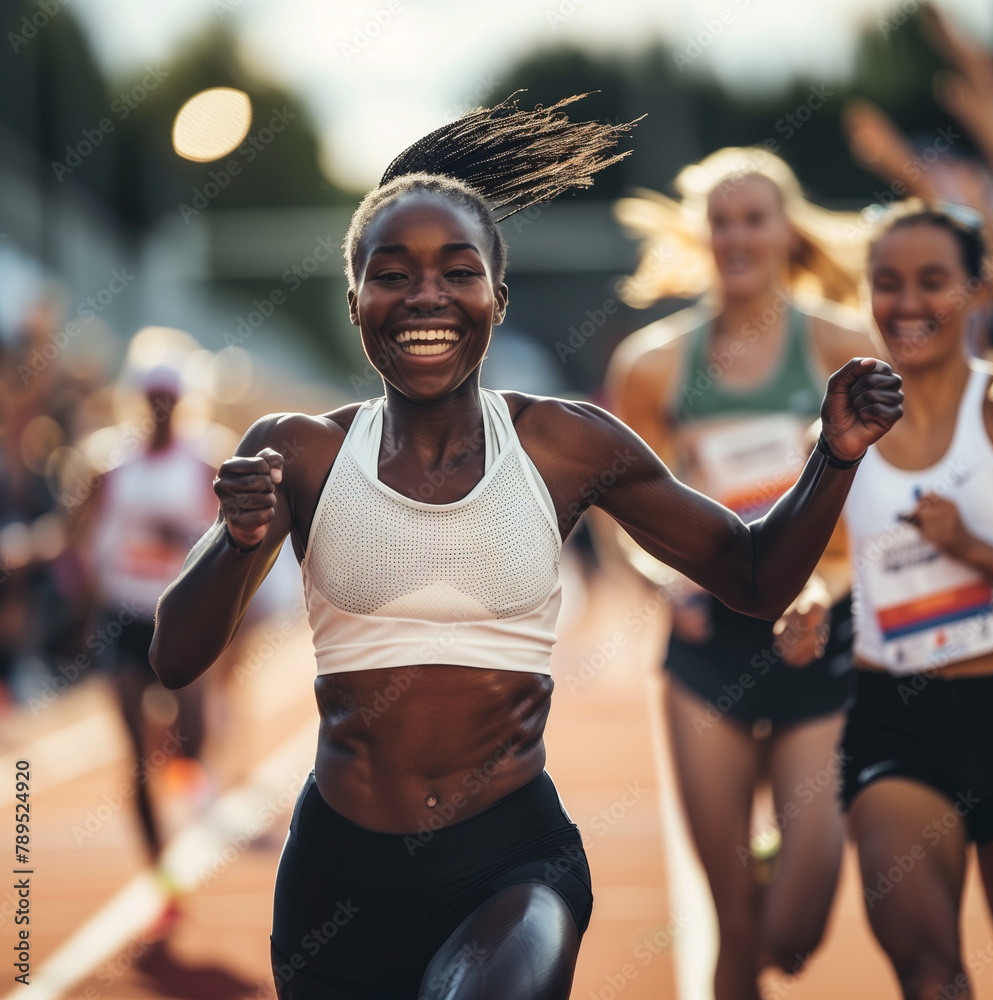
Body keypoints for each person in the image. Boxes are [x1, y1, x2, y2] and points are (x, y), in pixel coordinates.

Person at [150, 97, 902, 1000]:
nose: (426, 295)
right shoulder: (300, 450)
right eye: (392, 273)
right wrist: (237, 545)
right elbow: (176, 657)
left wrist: (833, 457)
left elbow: (752, 575)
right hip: (337, 882)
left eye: (457, 271)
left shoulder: (564, 445)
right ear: (354, 301)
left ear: (497, 298)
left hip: (510, 866)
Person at [605, 147, 884, 999]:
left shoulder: (843, 347)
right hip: (710, 645)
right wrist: (663, 582)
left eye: (754, 218)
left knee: (792, 934)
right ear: (702, 236)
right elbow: (624, 510)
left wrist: (821, 592)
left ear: (787, 231)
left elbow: (879, 510)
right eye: (720, 221)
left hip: (819, 634)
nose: (736, 237)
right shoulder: (653, 364)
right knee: (733, 929)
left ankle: (773, 872)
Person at [841, 203, 993, 1000]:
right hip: (896, 717)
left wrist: (971, 548)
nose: (907, 303)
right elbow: (825, 561)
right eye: (888, 282)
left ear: (977, 289)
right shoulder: (844, 427)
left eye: (932, 280)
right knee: (929, 979)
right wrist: (808, 604)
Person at [84, 363, 217, 883]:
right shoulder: (113, 467)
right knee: (135, 753)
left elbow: (224, 543)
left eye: (168, 399)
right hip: (123, 617)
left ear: (181, 404)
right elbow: (88, 543)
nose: (160, 409)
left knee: (191, 739)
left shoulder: (201, 466)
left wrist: (178, 536)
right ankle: (158, 865)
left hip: (179, 616)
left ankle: (177, 753)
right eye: (152, 399)